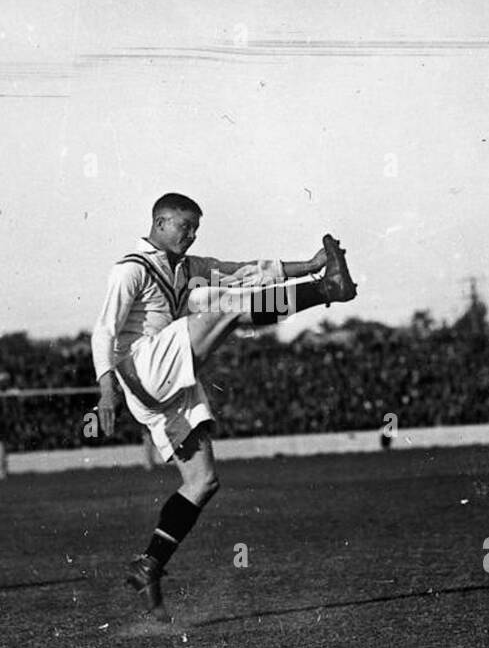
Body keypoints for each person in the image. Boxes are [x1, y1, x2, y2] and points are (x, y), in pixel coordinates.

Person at [92, 192, 357, 621]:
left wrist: (307, 264)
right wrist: (106, 390)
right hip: (144, 366)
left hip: (169, 390)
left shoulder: (187, 268)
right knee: (224, 307)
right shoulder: (131, 269)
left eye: (195, 228)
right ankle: (326, 290)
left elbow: (243, 272)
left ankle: (150, 563)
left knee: (203, 482)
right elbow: (103, 331)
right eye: (184, 226)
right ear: (159, 223)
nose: (191, 235)